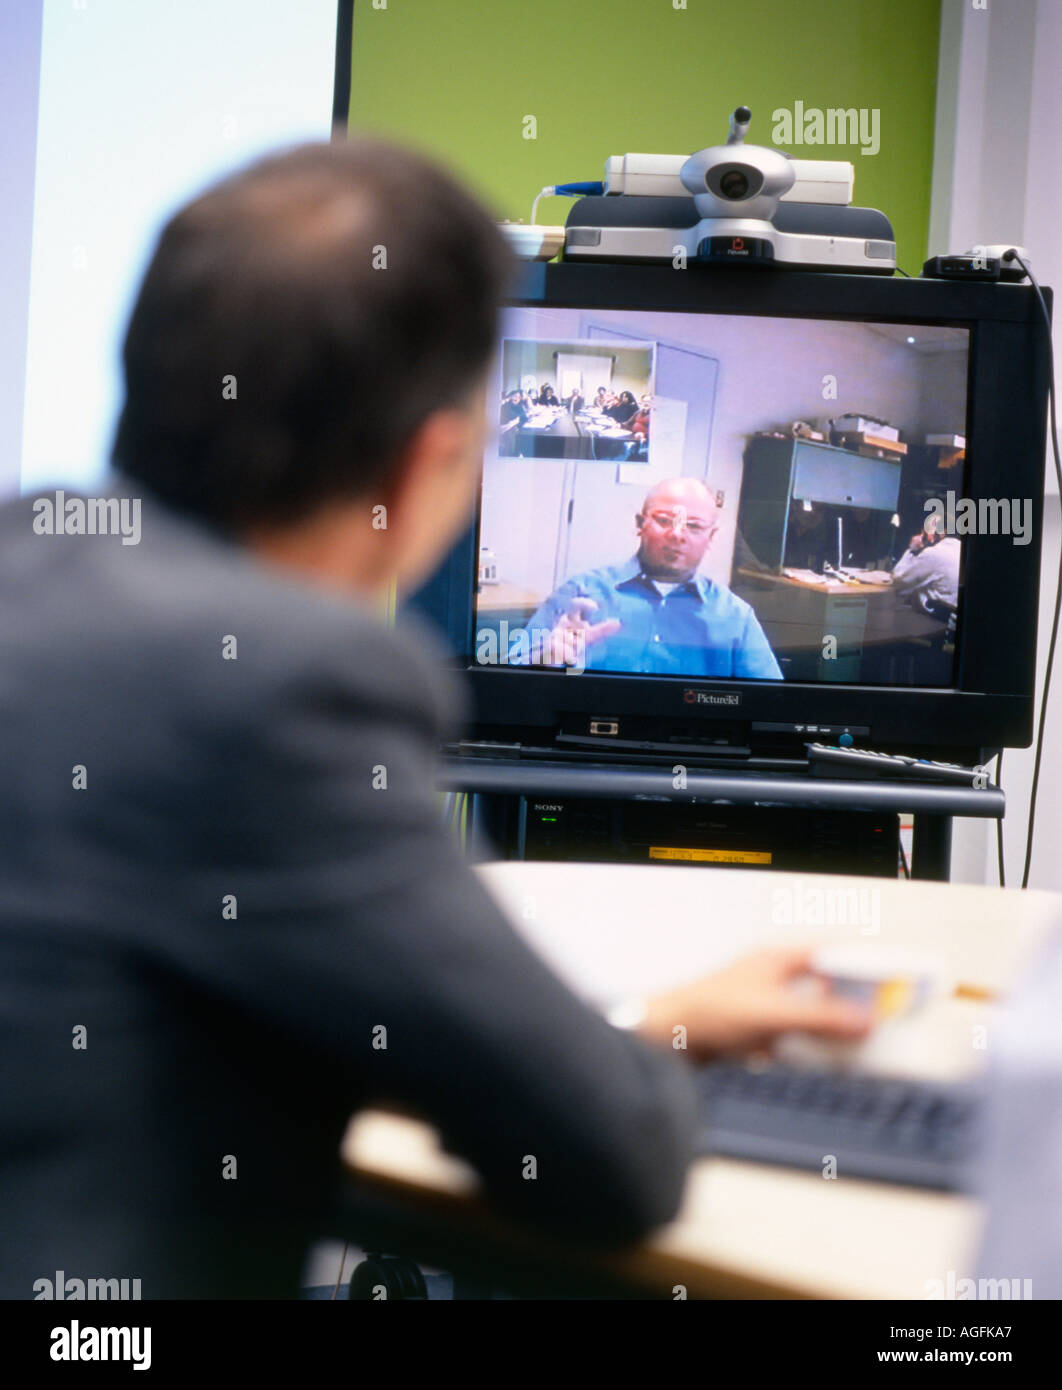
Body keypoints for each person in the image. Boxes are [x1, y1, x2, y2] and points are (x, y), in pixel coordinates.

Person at [0, 139, 862, 1300]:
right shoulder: (284, 684)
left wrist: (630, 1021)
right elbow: (611, 1160)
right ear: (429, 466)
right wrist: (636, 1048)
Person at [524, 477, 783, 677]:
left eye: (693, 526)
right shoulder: (579, 593)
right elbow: (511, 672)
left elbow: (771, 704)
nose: (677, 535)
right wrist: (545, 657)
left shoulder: (735, 616)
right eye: (664, 520)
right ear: (640, 524)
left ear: (711, 538)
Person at [889, 515, 960, 620]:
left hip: (935, 620)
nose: (922, 537)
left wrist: (912, 550)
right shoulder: (960, 549)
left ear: (941, 532)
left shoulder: (934, 553)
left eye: (926, 532)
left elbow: (898, 582)